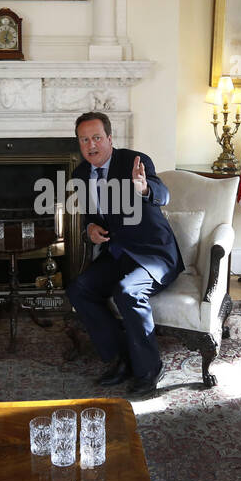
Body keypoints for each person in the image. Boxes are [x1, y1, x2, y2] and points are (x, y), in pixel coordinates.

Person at [65, 112, 183, 394]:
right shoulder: (81, 174)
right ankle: (122, 358)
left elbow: (162, 194)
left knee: (127, 291)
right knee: (79, 288)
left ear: (109, 138)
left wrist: (144, 188)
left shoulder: (134, 161)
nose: (91, 145)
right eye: (84, 140)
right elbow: (90, 219)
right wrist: (89, 230)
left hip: (152, 253)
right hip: (117, 254)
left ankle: (149, 368)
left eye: (96, 137)